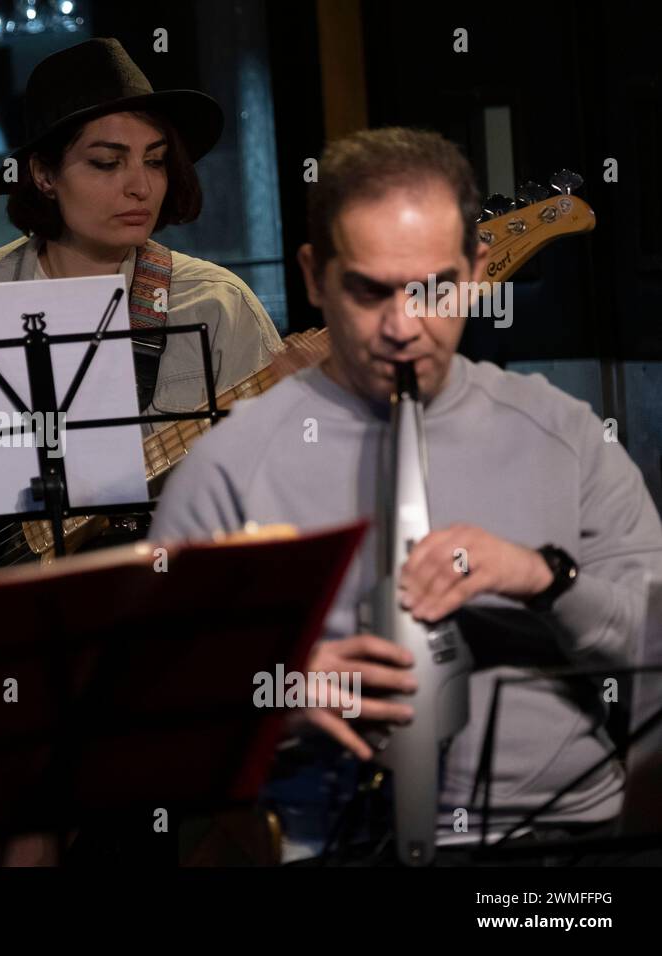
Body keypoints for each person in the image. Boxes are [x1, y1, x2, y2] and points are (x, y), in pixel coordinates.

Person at [150, 127, 662, 862]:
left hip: (562, 846)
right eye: (368, 290)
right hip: (329, 845)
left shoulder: (567, 432)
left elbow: (649, 649)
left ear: (478, 270)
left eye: (433, 288)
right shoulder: (227, 466)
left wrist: (547, 577)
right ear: (315, 276)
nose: (402, 327)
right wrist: (278, 701)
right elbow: (154, 718)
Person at [0, 38, 282, 551]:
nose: (140, 187)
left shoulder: (217, 304)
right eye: (107, 162)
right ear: (43, 174)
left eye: (157, 161)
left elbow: (278, 488)